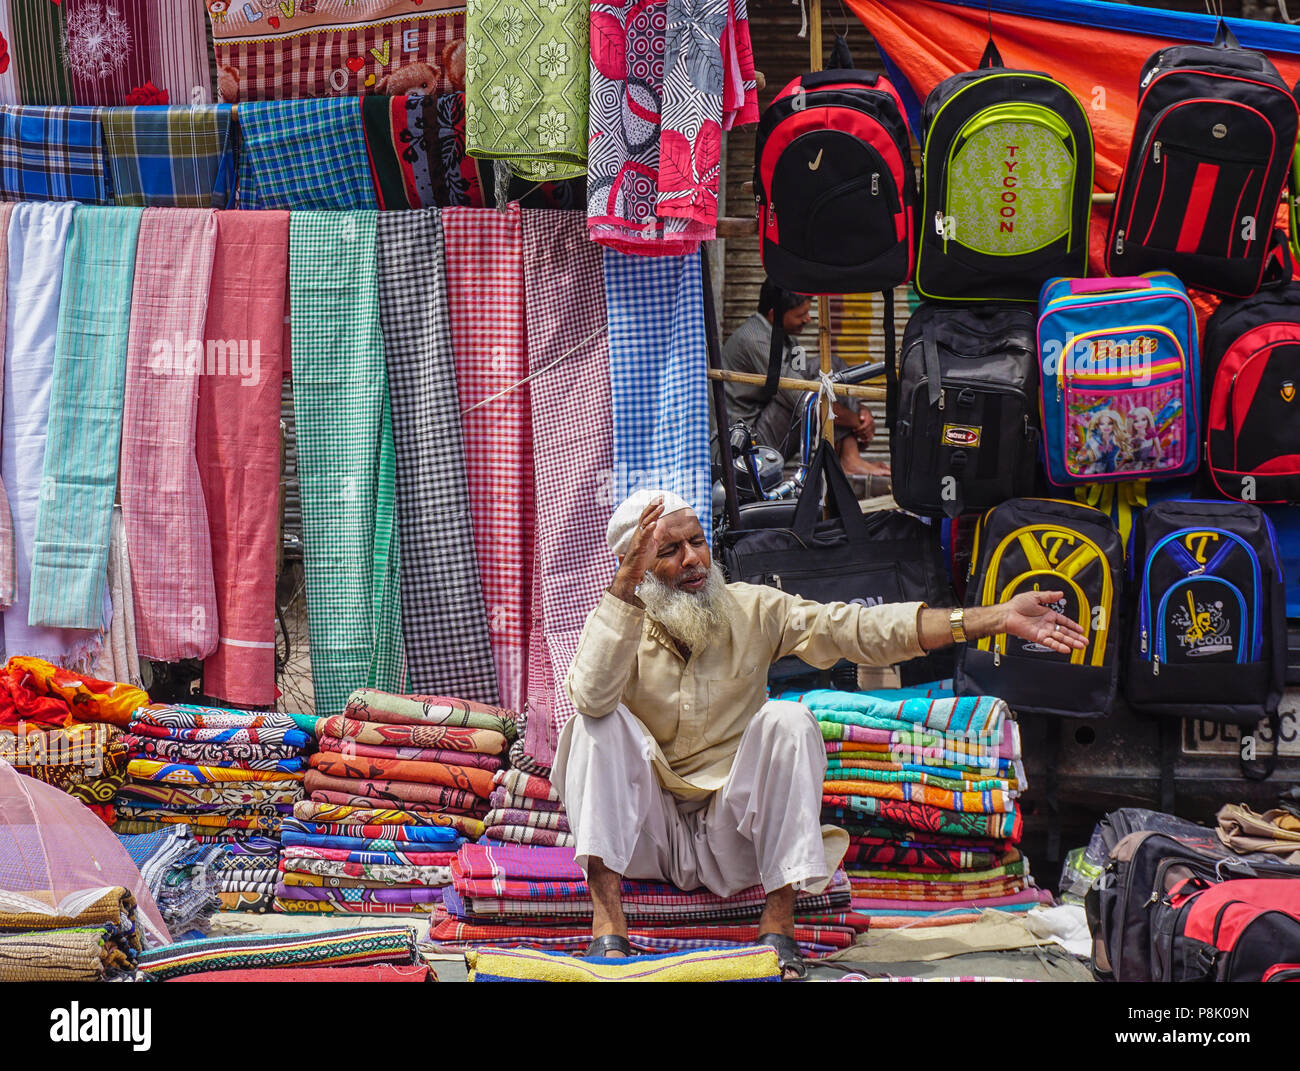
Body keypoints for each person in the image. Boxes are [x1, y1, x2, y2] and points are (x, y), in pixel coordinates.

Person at [554, 489, 1086, 979]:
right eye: (669, 550)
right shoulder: (618, 620)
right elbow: (591, 697)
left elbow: (858, 629)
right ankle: (608, 923)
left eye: (697, 541)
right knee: (594, 723)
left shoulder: (753, 607)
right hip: (647, 834)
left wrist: (990, 618)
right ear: (635, 569)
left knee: (789, 718)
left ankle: (778, 923)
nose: (692, 559)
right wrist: (621, 596)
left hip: (733, 837)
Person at [721, 280, 888, 477]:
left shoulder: (787, 339)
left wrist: (861, 411)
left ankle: (847, 457)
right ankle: (848, 459)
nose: (808, 319)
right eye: (801, 315)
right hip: (748, 442)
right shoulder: (755, 339)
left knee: (828, 370)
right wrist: (857, 422)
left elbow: (806, 378)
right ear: (775, 315)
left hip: (768, 427)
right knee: (812, 392)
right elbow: (801, 398)